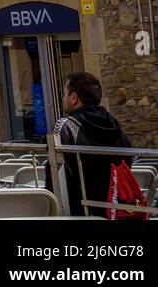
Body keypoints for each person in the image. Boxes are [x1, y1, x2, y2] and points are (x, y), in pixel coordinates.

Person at [50, 71, 131, 216]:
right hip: (115, 208)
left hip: (82, 210)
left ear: (74, 98)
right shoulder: (115, 126)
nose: (63, 99)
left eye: (65, 94)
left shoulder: (66, 126)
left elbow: (56, 175)